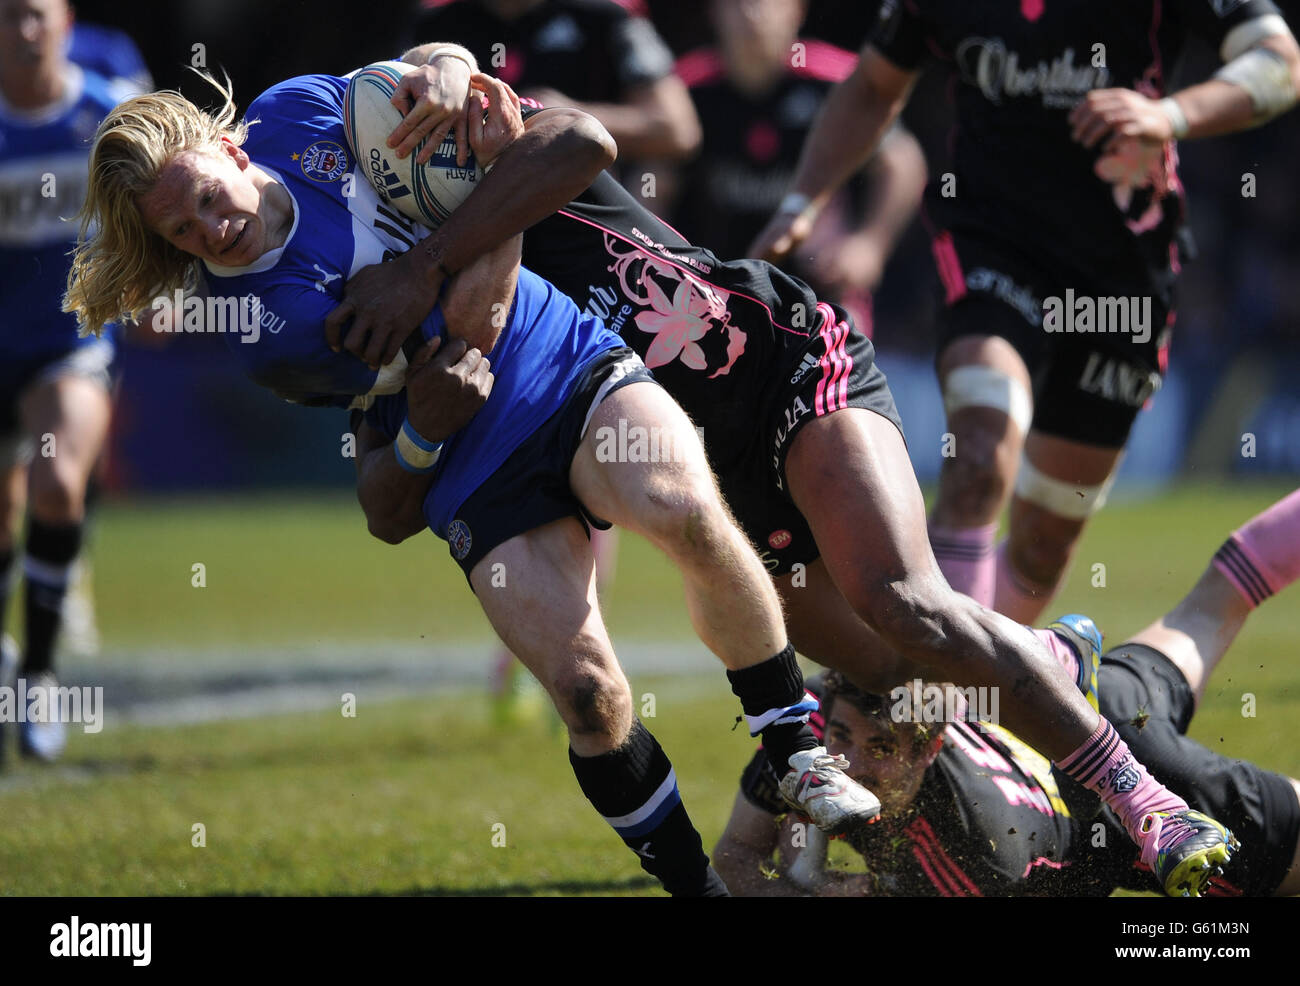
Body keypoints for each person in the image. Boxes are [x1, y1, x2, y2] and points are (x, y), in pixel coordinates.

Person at [331, 45, 1239, 896]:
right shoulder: (394, 308)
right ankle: (1050, 655)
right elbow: (386, 500)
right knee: (897, 675)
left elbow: (580, 135)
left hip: (787, 366)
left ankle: (1148, 808)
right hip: (720, 489)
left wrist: (440, 70)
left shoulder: (494, 161)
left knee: (904, 602)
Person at [62, 64, 882, 897]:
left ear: (231, 150)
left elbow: (450, 89)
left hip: (559, 360)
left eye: (205, 197)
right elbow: (466, 335)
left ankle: (797, 755)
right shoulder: (262, 328)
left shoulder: (298, 109)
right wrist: (495, 188)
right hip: (469, 450)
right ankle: (696, 889)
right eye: (182, 233)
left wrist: (451, 69)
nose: (211, 230)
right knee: (590, 697)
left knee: (687, 512)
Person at [750, 0, 1300, 626]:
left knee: (1043, 547)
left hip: (1119, 274)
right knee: (979, 454)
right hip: (993, 246)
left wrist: (1169, 114)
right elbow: (874, 85)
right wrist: (802, 199)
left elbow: (1281, 63)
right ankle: (942, 698)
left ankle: (993, 670)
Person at [714, 489, 1300, 896]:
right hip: (1086, 700)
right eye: (842, 735)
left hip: (1142, 800)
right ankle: (1055, 656)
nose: (854, 766)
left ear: (927, 750)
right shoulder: (812, 746)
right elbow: (737, 855)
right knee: (1214, 601)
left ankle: (1054, 658)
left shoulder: (974, 852)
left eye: (885, 750)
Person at [0, 0, 135, 763]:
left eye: (35, 14)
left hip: (68, 344)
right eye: (7, 15)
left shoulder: (106, 115)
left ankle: (41, 675)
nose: (23, 31)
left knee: (56, 485)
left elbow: (165, 201)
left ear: (66, 22)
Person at [670, 0, 926, 321]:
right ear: (713, 12)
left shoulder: (840, 84)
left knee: (845, 351)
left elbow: (901, 161)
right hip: (713, 293)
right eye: (735, 4)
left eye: (766, 3)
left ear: (797, 12)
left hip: (822, 292)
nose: (751, 14)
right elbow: (654, 181)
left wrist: (869, 244)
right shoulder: (683, 90)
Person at [402, 0, 700, 165]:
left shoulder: (607, 15)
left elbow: (678, 130)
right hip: (457, 210)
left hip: (577, 214)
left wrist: (562, 116)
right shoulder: (434, 23)